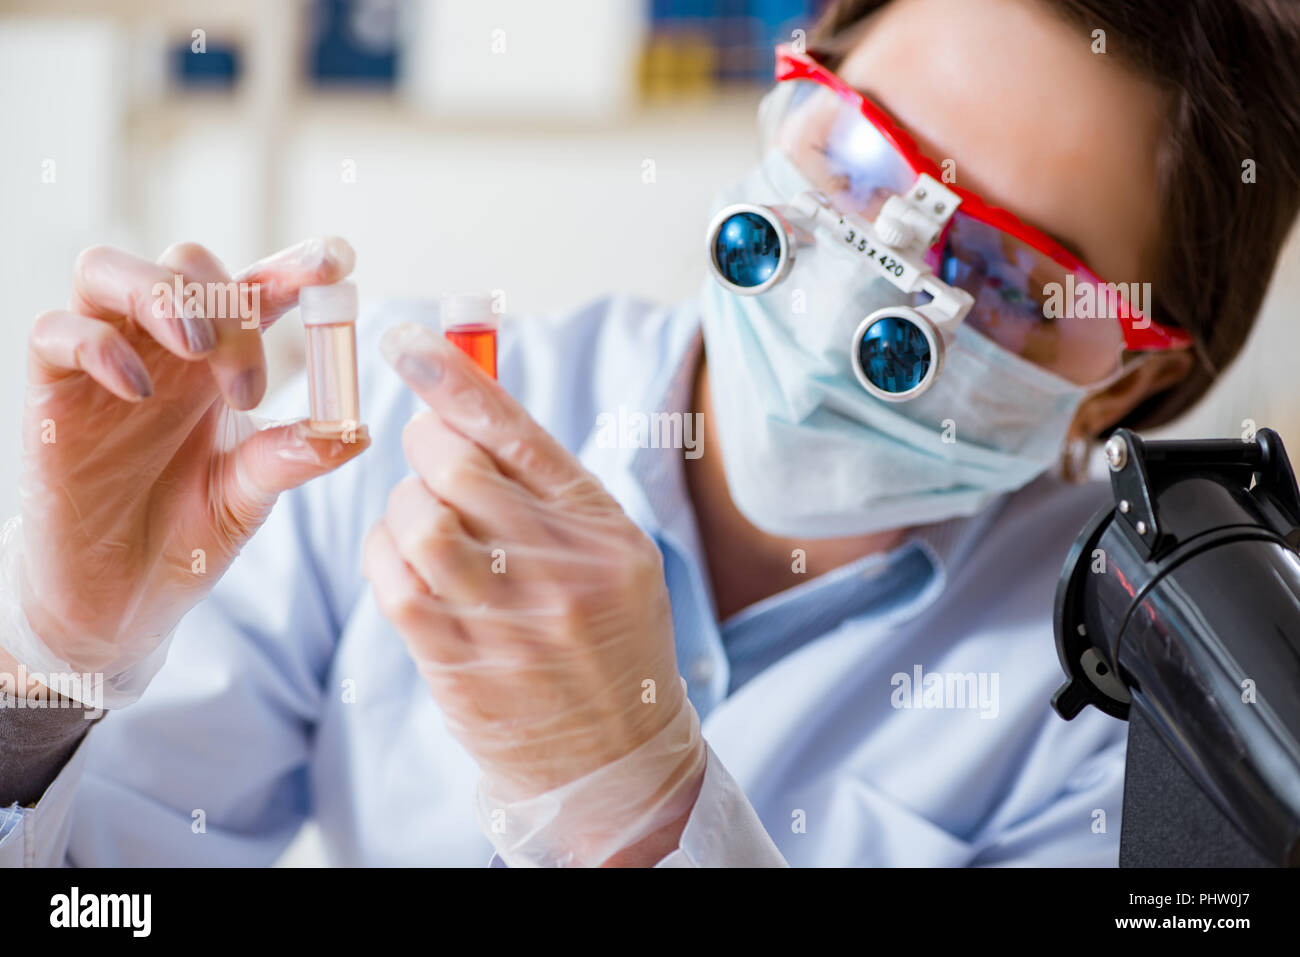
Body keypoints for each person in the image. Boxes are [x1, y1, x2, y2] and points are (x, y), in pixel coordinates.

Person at [1, 0, 1298, 867]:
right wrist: (48, 672)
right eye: (857, 154)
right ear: (801, 74)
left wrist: (643, 819)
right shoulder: (401, 420)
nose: (868, 277)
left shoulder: (1140, 690)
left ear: (1130, 379)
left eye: (1009, 279)